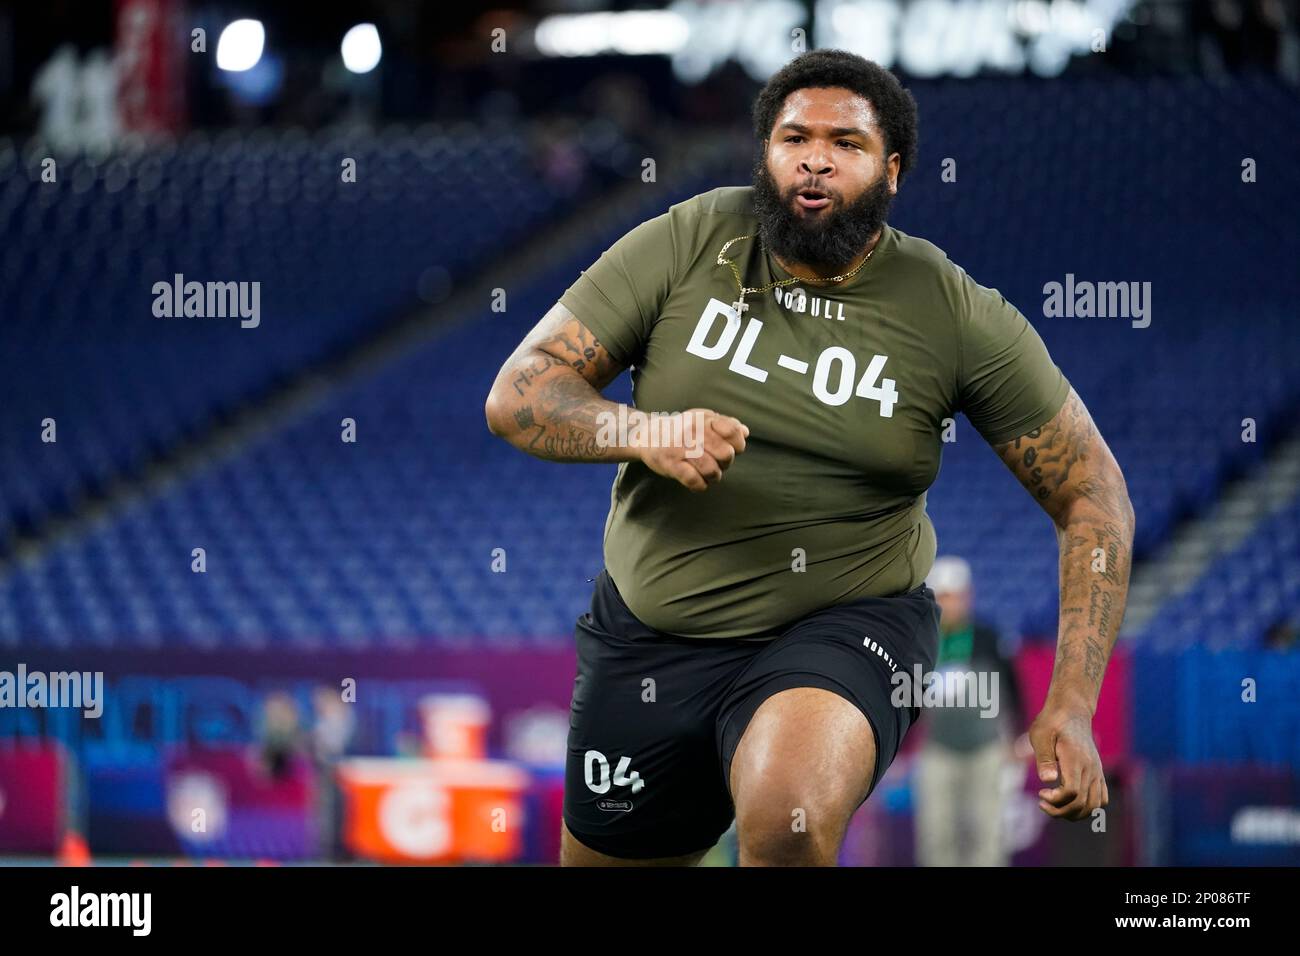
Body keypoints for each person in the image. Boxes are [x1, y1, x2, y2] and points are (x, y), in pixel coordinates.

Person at [484, 49, 1134, 866]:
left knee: (784, 817)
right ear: (765, 156)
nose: (816, 157)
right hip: (651, 638)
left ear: (892, 171)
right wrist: (642, 432)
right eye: (794, 137)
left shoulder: (952, 312)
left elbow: (1093, 494)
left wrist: (1071, 703)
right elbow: (517, 394)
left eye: (847, 143)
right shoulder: (688, 240)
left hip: (845, 624)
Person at [914, 556, 1027, 867]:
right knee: (936, 832)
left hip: (985, 750)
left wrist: (1017, 737)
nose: (951, 604)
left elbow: (1014, 690)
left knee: (987, 832)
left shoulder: (988, 638)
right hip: (938, 749)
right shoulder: (924, 641)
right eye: (944, 597)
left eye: (956, 596)